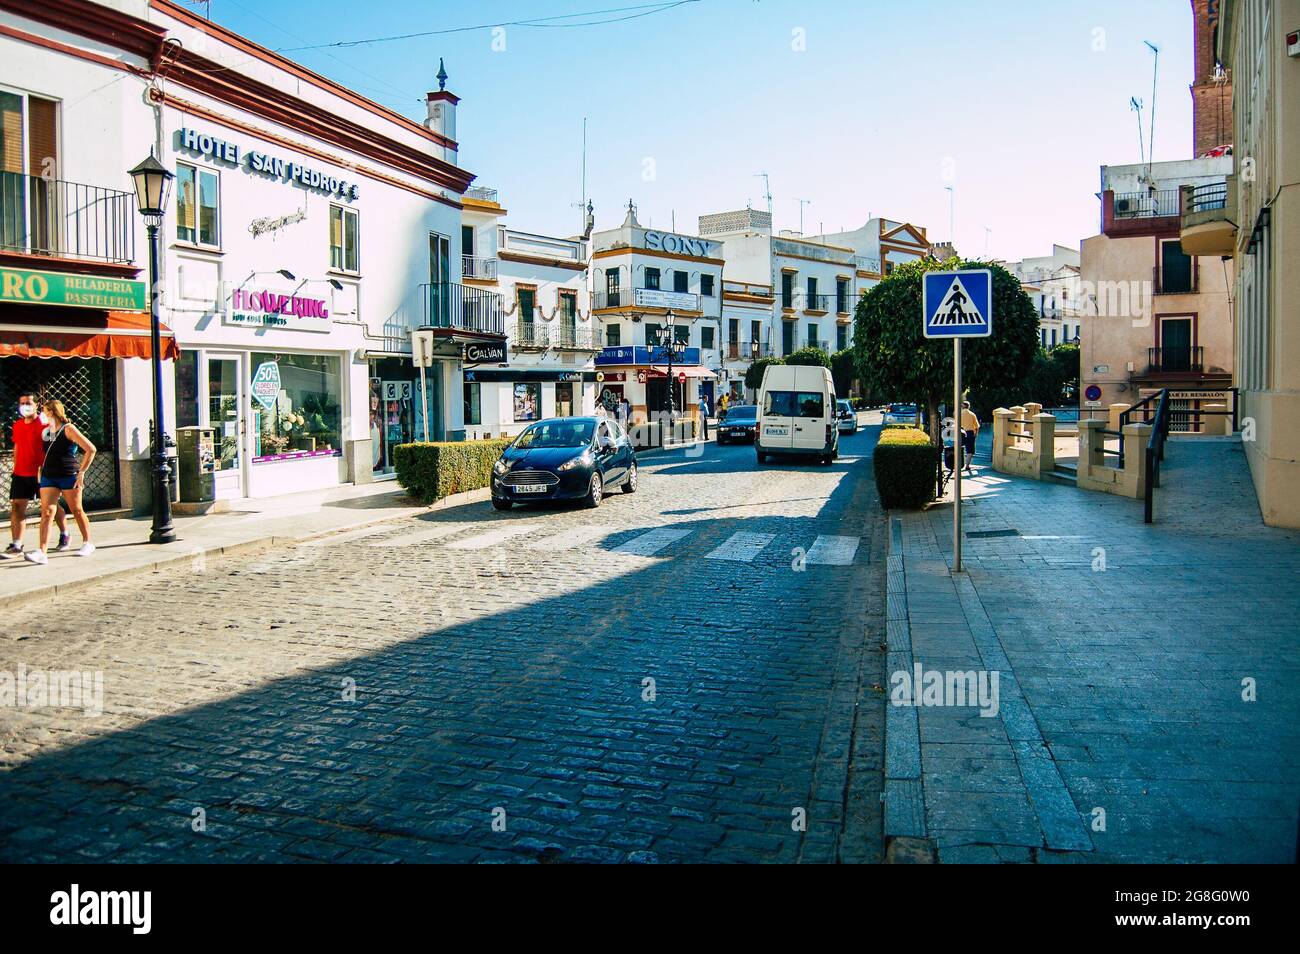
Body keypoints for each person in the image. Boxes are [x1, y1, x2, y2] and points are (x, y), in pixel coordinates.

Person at [22, 399, 96, 565]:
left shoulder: (68, 429)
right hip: (49, 476)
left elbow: (91, 449)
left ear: (51, 412)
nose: (42, 414)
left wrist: (82, 472)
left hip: (69, 474)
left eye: (44, 411)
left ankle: (87, 542)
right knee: (47, 512)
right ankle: (42, 551)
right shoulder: (46, 431)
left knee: (76, 510)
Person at [3, 391, 69, 559]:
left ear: (36, 405)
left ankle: (64, 533)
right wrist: (15, 467)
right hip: (20, 472)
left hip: (41, 472)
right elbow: (17, 446)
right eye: (22, 403)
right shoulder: (17, 425)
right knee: (17, 506)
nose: (25, 406)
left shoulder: (45, 424)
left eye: (28, 403)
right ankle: (17, 545)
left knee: (50, 507)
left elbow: (55, 445)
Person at [960, 400, 980, 474]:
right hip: (969, 433)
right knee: (970, 451)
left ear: (962, 406)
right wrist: (976, 434)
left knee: (958, 448)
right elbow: (977, 426)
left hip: (961, 432)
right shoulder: (972, 414)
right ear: (969, 406)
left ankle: (957, 464)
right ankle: (967, 465)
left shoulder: (959, 414)